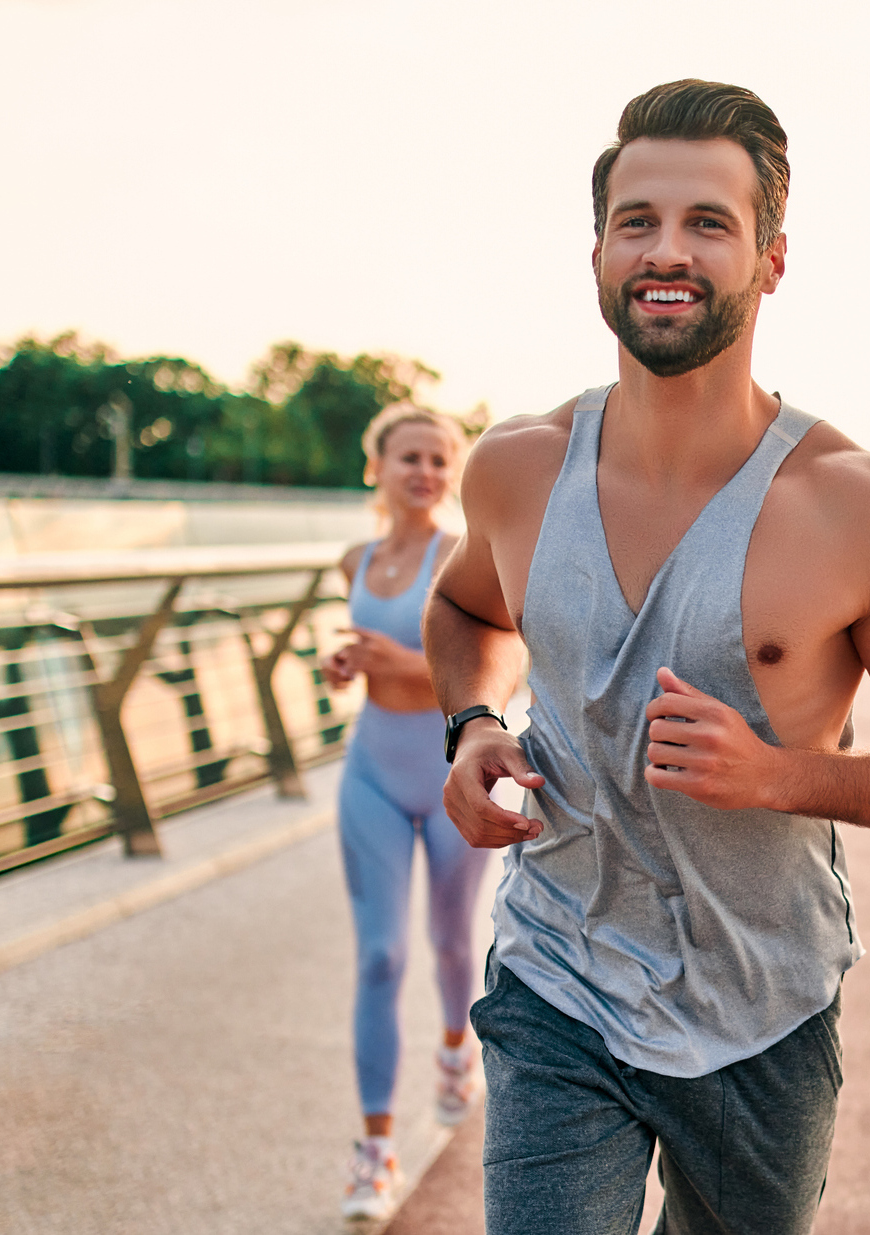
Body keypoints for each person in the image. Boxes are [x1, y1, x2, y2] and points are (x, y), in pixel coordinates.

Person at [422, 80, 870, 1235]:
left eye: (708, 223)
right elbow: (460, 612)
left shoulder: (860, 502)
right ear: (597, 247)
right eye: (637, 219)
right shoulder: (516, 467)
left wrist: (785, 775)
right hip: (558, 971)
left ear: (771, 259)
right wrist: (473, 726)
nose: (666, 251)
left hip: (763, 1003)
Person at [320, 403, 492, 1222]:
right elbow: (368, 650)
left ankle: (457, 1047)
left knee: (452, 938)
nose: (423, 471)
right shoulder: (354, 556)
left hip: (452, 771)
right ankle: (375, 1151)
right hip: (373, 773)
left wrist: (395, 658)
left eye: (438, 458)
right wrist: (345, 659)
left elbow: (499, 670)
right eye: (409, 457)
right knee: (381, 956)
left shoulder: (462, 555)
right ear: (377, 466)